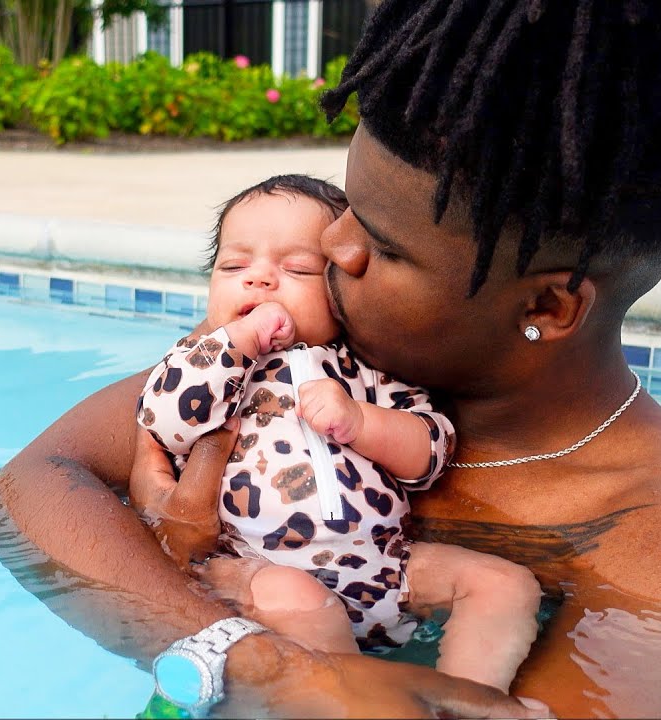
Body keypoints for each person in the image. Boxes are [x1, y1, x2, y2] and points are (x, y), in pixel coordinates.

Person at [0, 0, 661, 716]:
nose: (332, 247)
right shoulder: (316, 353)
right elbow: (16, 489)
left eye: (385, 247)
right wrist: (266, 664)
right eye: (350, 209)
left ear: (546, 309)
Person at [137, 174, 539, 692]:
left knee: (504, 585)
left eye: (297, 268)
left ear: (343, 291)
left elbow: (431, 452)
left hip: (387, 566)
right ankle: (358, 702)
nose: (258, 281)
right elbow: (163, 421)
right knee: (301, 599)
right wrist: (236, 342)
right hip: (261, 570)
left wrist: (363, 423)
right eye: (234, 266)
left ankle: (469, 698)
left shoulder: (367, 370)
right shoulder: (207, 363)